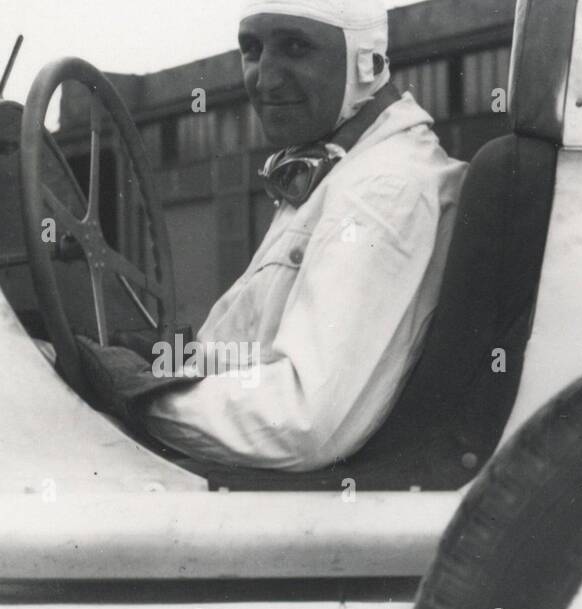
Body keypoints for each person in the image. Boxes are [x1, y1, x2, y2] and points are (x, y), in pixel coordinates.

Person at [79, 0, 468, 471]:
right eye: (252, 48)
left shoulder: (382, 191)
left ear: (368, 63)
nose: (263, 79)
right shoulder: (333, 168)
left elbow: (303, 421)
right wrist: (161, 357)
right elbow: (256, 353)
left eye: (296, 47)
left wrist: (138, 394)